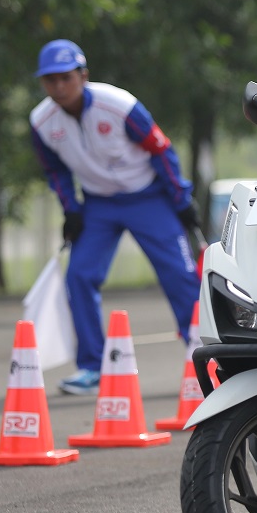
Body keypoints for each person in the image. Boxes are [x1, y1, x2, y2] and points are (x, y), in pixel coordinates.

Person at [29, 39, 202, 395]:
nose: (59, 87)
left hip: (148, 197)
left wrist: (181, 199)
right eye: (50, 80)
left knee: (180, 273)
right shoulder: (41, 121)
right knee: (79, 276)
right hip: (98, 205)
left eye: (66, 77)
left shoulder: (119, 105)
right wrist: (71, 210)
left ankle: (201, 354)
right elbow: (56, 171)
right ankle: (92, 367)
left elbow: (161, 150)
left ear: (83, 75)